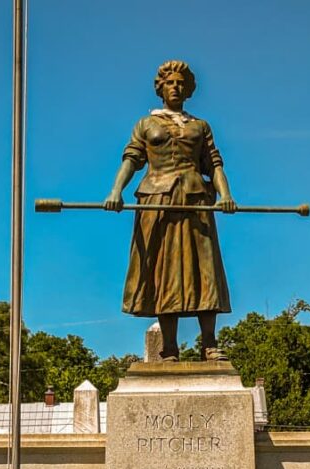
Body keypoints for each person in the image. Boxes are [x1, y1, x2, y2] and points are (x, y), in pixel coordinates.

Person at [105, 60, 236, 361]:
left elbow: (214, 164)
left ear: (188, 89)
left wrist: (226, 194)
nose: (175, 87)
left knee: (204, 271)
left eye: (180, 83)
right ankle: (170, 347)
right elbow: (131, 159)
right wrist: (116, 191)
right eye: (170, 83)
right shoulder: (146, 124)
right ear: (160, 88)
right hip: (157, 202)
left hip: (194, 202)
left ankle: (209, 343)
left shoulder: (200, 126)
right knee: (164, 272)